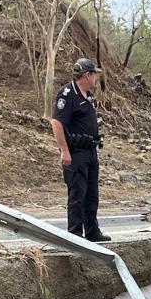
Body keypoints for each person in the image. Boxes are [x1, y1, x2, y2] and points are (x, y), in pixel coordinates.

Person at [50, 58, 110, 242]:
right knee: (77, 194)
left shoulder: (87, 96)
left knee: (91, 194)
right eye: (94, 74)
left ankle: (92, 232)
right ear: (87, 75)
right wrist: (64, 150)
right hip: (76, 152)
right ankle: (75, 234)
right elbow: (57, 122)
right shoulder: (68, 94)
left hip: (90, 151)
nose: (96, 79)